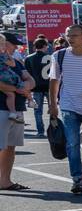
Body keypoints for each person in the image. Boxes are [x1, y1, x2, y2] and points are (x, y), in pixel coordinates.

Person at [48, 24, 82, 194]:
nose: (71, 38)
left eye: (75, 35)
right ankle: (77, 180)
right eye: (68, 35)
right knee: (72, 144)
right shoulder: (59, 56)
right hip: (68, 106)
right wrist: (52, 105)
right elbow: (54, 81)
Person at [0, 33, 33, 192]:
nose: (15, 48)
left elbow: (31, 80)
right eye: (13, 44)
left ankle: (5, 181)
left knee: (10, 147)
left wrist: (25, 87)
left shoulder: (17, 62)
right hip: (1, 109)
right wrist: (18, 89)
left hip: (17, 110)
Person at [25, 37, 51, 138]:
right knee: (52, 109)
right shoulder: (50, 57)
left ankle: (40, 131)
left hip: (36, 87)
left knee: (37, 111)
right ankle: (53, 129)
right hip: (49, 86)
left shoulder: (29, 58)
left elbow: (27, 75)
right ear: (45, 46)